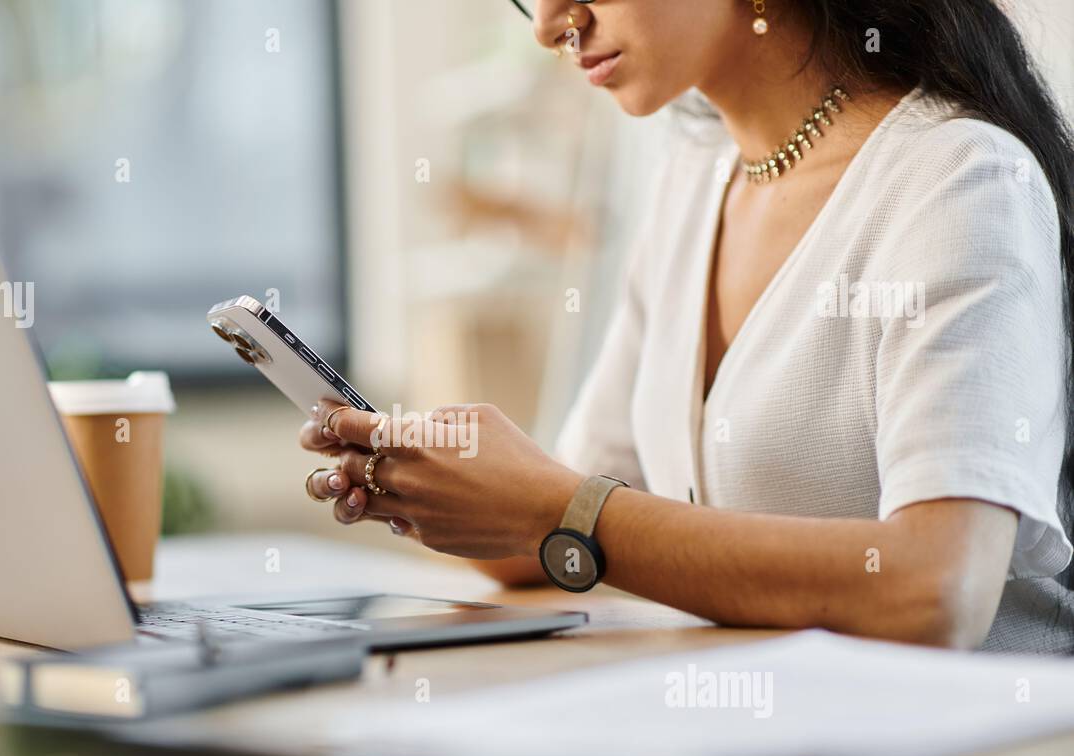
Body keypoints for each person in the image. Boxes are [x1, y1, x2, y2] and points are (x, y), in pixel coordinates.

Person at [300, 0, 1074, 653]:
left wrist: (557, 509)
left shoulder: (960, 181)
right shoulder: (692, 178)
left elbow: (937, 590)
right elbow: (560, 523)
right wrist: (443, 484)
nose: (549, 25)